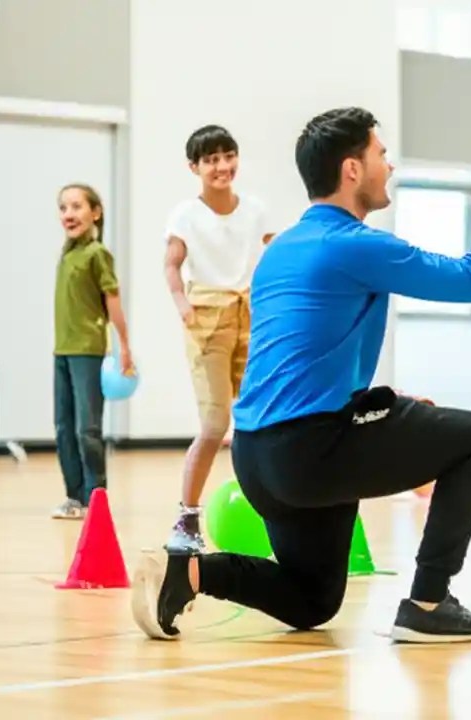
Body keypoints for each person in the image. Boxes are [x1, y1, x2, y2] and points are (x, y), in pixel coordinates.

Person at [131, 108, 471, 644]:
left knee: (312, 600)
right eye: (381, 155)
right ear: (352, 169)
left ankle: (188, 573)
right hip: (310, 452)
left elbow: (302, 358)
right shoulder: (357, 244)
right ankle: (429, 602)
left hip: (256, 457)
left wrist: (383, 406)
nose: (389, 166)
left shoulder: (281, 250)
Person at [162, 125, 275, 553]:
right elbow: (171, 264)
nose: (222, 166)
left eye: (228, 156)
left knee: (261, 418)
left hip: (251, 316)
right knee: (214, 424)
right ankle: (187, 516)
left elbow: (277, 253)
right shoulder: (186, 215)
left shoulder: (256, 210)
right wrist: (181, 303)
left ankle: (274, 510)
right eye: (211, 160)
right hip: (207, 318)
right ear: (195, 167)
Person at [52, 184, 133, 520]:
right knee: (64, 427)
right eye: (63, 208)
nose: (68, 214)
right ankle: (74, 497)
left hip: (88, 351)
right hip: (62, 351)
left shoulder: (97, 254)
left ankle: (95, 498)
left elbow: (112, 301)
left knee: (87, 429)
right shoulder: (67, 253)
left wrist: (124, 345)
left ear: (95, 213)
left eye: (76, 206)